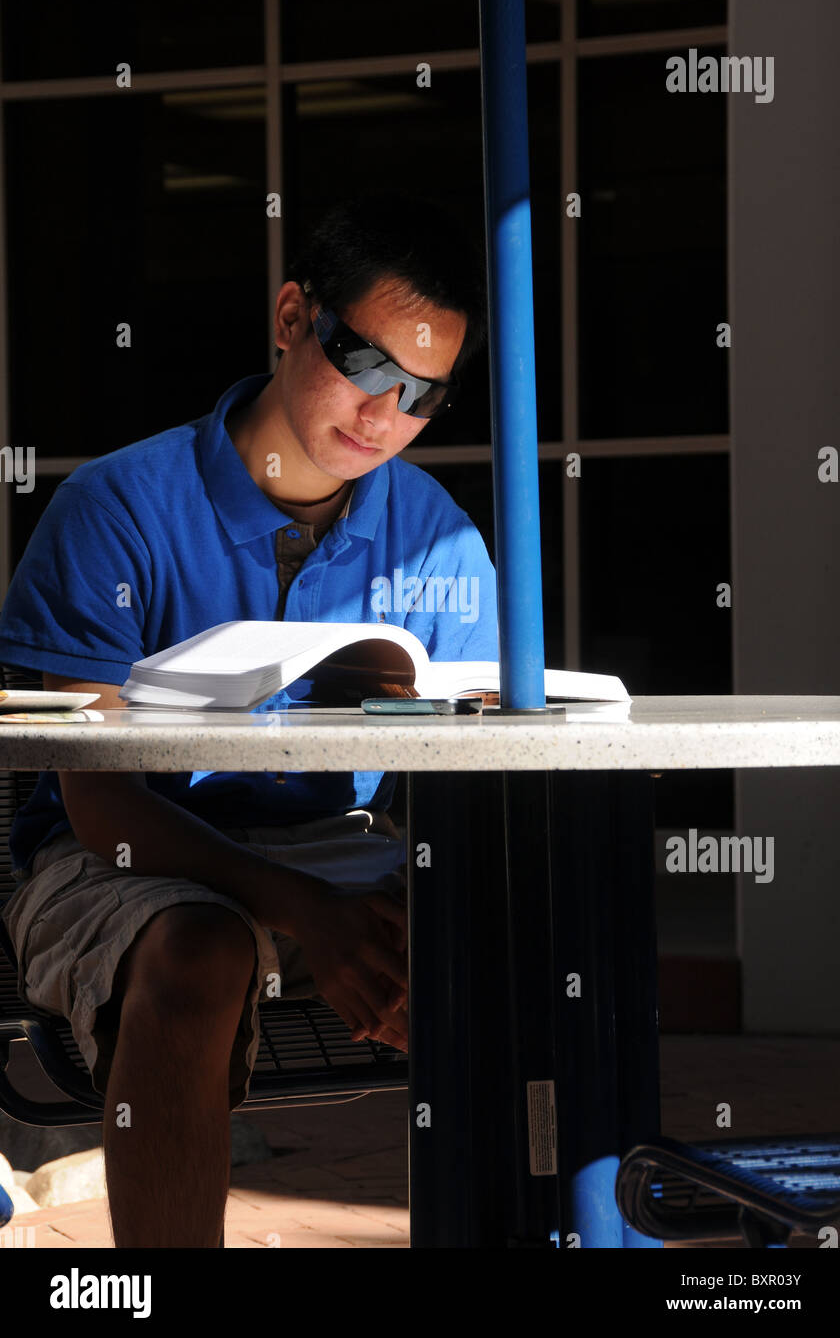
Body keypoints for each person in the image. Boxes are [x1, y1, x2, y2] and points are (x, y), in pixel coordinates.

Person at [0, 189, 499, 1246]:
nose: (383, 415)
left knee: (518, 933)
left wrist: (426, 906)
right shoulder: (116, 509)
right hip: (118, 862)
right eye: (364, 363)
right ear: (290, 317)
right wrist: (305, 909)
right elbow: (100, 807)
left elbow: (476, 784)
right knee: (198, 946)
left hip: (342, 852)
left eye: (423, 394)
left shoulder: (437, 541)